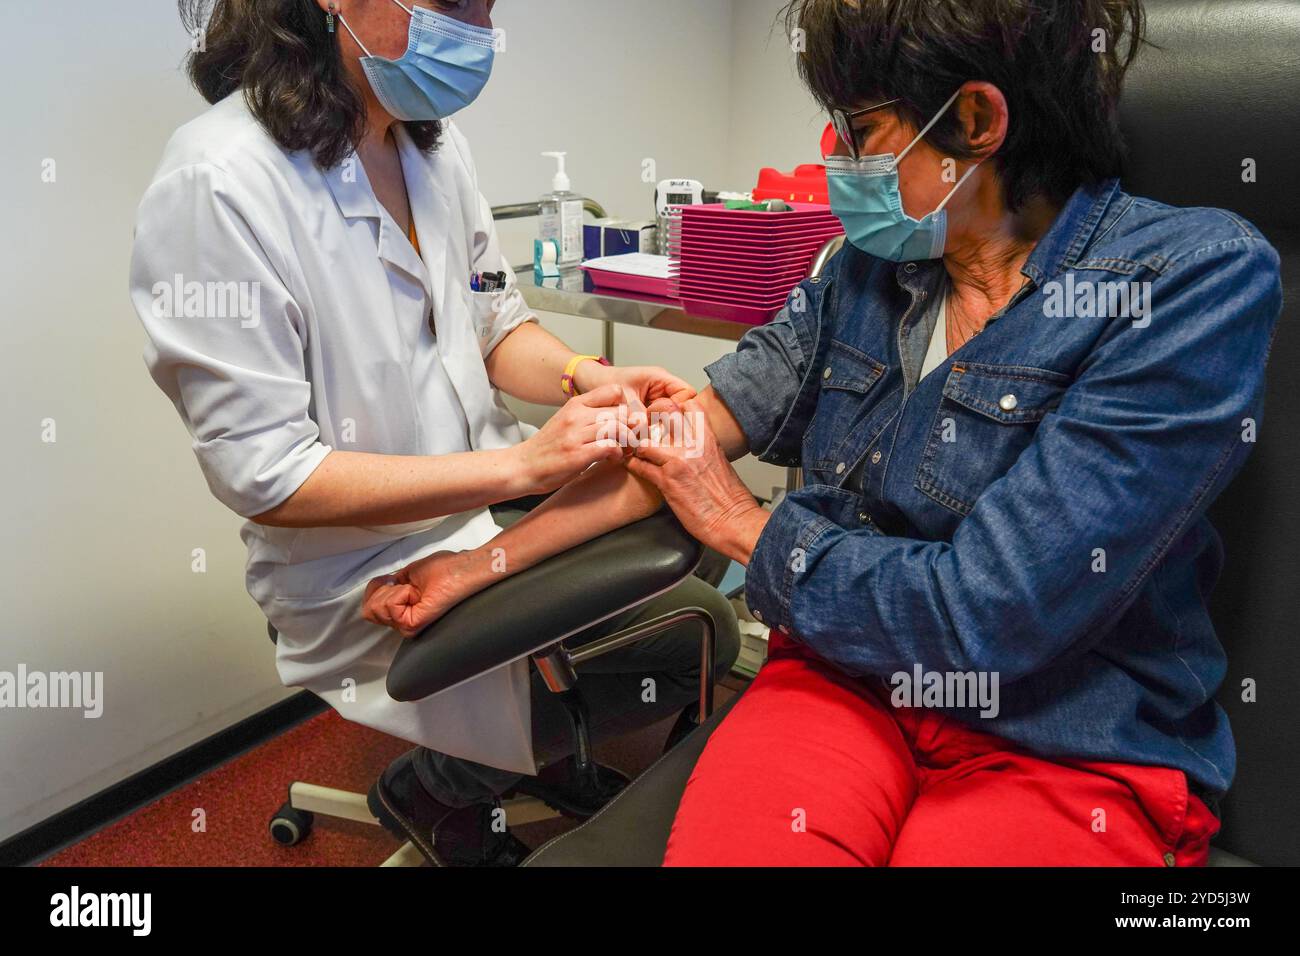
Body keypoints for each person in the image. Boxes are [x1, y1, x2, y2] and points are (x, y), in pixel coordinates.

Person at [389, 0, 1283, 866]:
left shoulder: (1187, 279)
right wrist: (478, 567)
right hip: (844, 680)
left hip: (1060, 731)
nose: (838, 161)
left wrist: (745, 525)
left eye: (860, 131)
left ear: (976, 119)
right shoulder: (866, 271)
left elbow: (992, 613)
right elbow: (679, 444)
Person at [130, 0, 738, 867]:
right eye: (452, 4)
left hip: (486, 502)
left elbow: (495, 324)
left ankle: (487, 756)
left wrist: (583, 377)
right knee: (696, 636)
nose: (479, 30)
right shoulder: (218, 183)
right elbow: (266, 473)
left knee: (684, 527)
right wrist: (522, 463)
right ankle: (442, 786)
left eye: (487, 6)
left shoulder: (430, 148)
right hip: (361, 570)